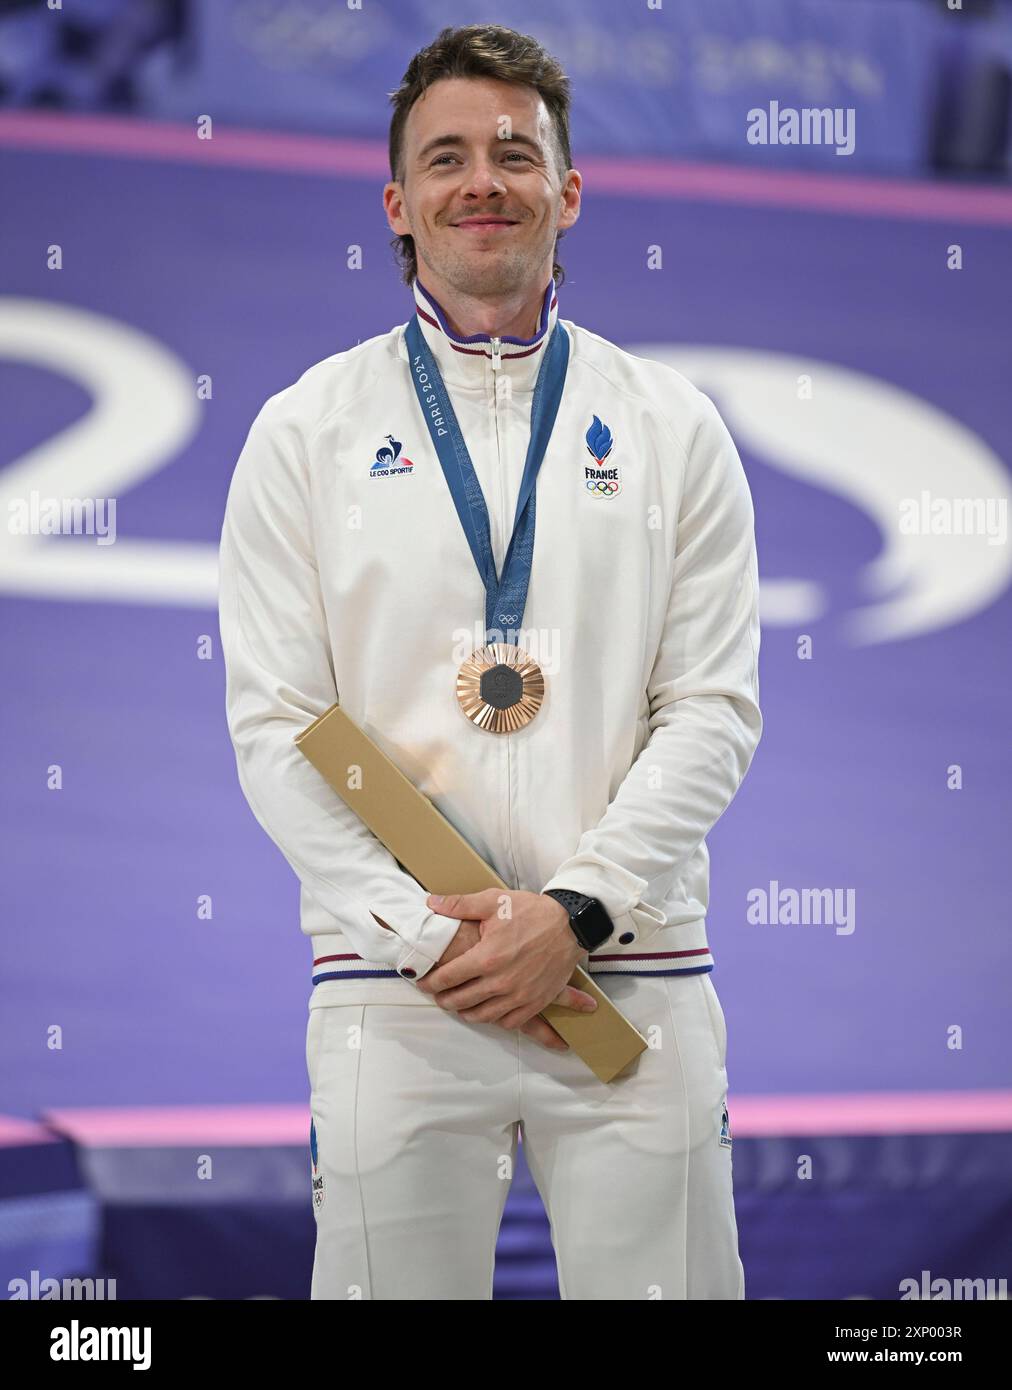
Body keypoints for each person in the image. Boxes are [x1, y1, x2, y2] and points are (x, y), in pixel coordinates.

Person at [218, 22, 762, 1301]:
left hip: (631, 981)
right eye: (447, 157)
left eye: (516, 154)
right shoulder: (305, 432)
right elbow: (279, 726)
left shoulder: (671, 428)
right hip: (395, 994)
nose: (484, 181)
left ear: (568, 193)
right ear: (398, 203)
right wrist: (428, 938)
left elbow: (713, 712)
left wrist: (570, 915)